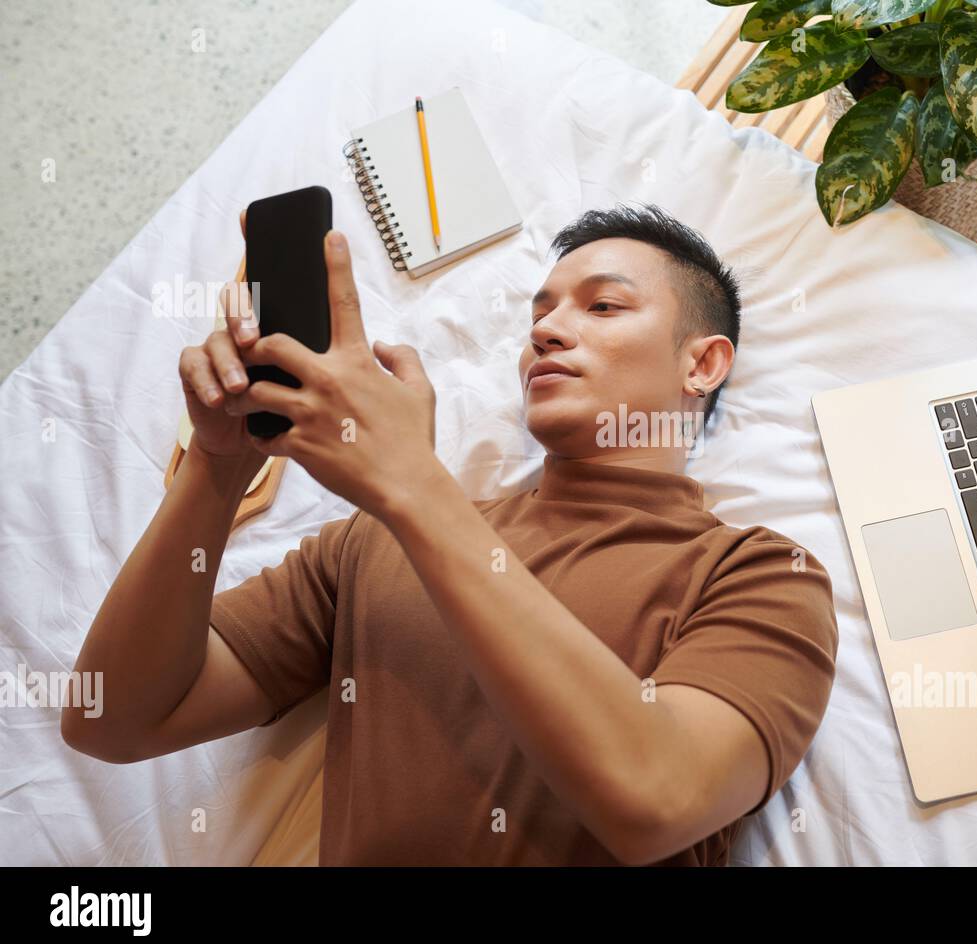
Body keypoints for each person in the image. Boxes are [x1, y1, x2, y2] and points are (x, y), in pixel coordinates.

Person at [63, 204, 838, 866]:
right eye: (540, 314)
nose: (548, 332)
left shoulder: (764, 576)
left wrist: (411, 486)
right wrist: (217, 468)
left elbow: (658, 795)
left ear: (702, 363)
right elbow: (110, 719)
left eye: (602, 307)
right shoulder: (374, 541)